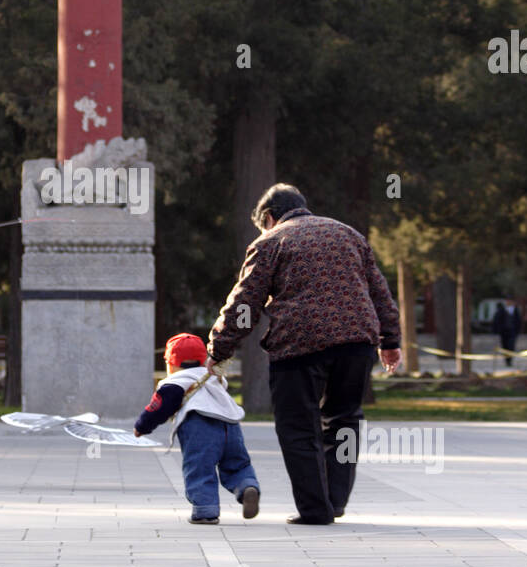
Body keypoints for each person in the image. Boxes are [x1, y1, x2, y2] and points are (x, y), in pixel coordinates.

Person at [208, 183, 401, 526]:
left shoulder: (270, 241)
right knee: (345, 420)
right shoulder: (349, 234)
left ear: (268, 217)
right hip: (356, 343)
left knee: (298, 427)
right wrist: (390, 340)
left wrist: (219, 349)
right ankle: (335, 501)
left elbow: (244, 305)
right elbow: (379, 292)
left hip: (298, 344)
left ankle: (315, 509)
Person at [134, 333, 260, 525]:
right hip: (231, 425)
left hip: (201, 427)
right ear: (203, 360)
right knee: (238, 464)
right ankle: (247, 487)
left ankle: (205, 510)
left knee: (200, 467)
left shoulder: (174, 383)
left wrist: (141, 427)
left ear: (171, 363)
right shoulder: (213, 377)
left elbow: (157, 409)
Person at [492, 301, 522, 367]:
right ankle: (507, 360)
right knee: (505, 347)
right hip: (504, 332)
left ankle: (510, 360)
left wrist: (517, 330)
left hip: (512, 332)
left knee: (511, 346)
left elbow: (518, 321)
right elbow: (497, 320)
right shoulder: (502, 310)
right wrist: (496, 331)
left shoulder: (515, 310)